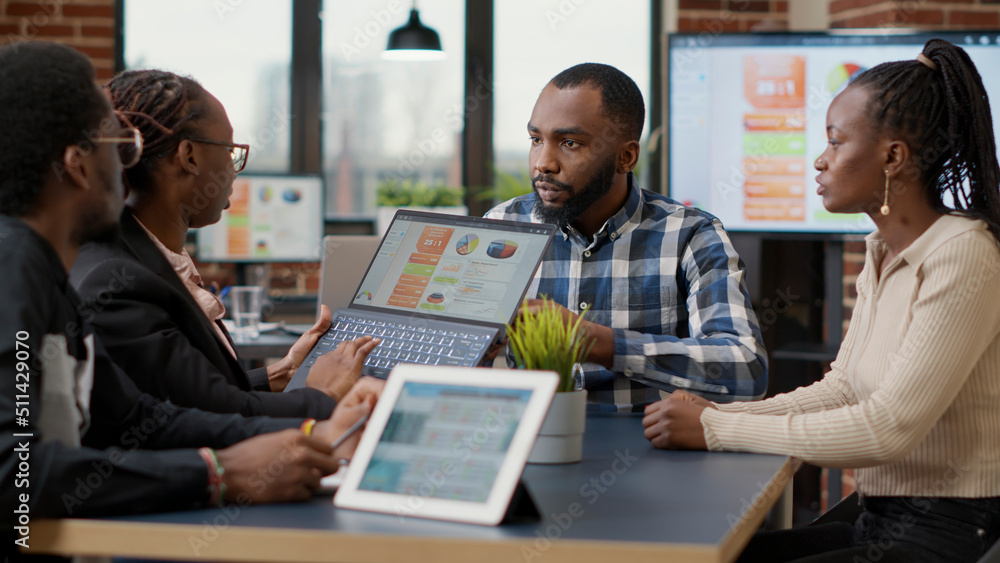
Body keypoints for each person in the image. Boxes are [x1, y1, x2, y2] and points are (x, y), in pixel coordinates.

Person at [0, 41, 380, 549]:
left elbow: (141, 420)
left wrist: (317, 433)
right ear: (77, 164)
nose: (128, 169)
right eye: (121, 148)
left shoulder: (41, 268)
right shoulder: (14, 264)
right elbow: (14, 474)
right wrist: (216, 473)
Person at [642, 39, 1000, 562]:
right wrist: (723, 411)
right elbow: (845, 388)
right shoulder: (882, 251)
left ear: (892, 157)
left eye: (835, 143)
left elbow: (888, 428)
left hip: (950, 529)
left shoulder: (962, 254)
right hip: (882, 516)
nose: (819, 159)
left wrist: (717, 428)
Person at [69, 69, 379, 420]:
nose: (234, 171)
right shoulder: (117, 282)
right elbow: (210, 420)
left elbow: (194, 394)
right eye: (229, 151)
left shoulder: (136, 255)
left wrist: (284, 372)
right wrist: (324, 393)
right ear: (189, 156)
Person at [485, 63, 767, 412]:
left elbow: (745, 368)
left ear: (626, 156)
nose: (543, 163)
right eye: (536, 140)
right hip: (533, 446)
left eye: (569, 143)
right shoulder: (502, 227)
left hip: (651, 453)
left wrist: (599, 343)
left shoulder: (690, 235)